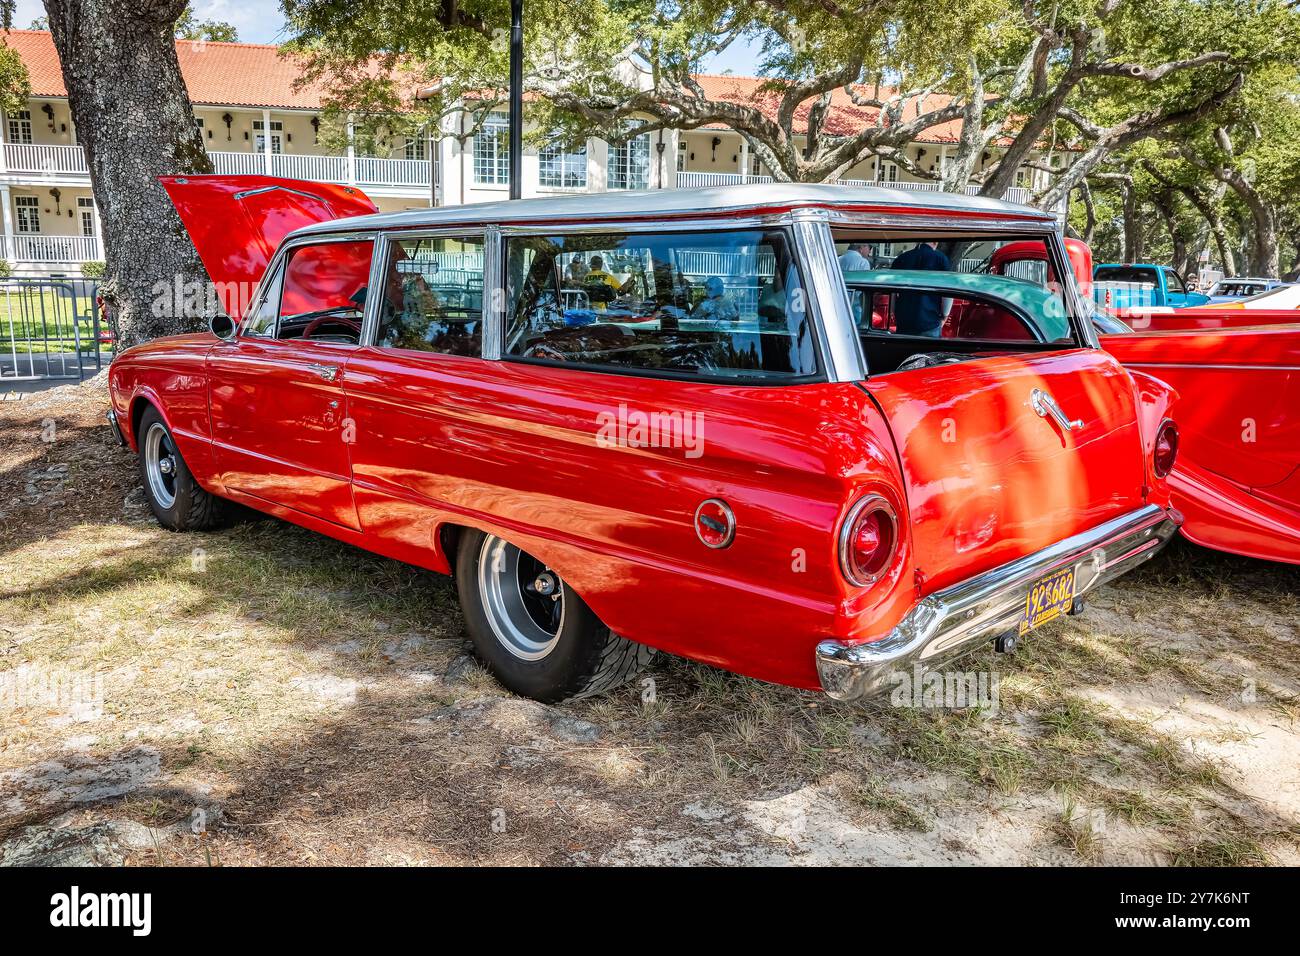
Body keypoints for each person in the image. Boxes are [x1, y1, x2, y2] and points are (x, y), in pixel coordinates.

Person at [891, 241, 952, 337]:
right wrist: (945, 315)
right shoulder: (941, 259)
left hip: (904, 320)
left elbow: (892, 291)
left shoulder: (902, 258)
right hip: (930, 320)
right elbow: (948, 292)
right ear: (935, 242)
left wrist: (894, 311)